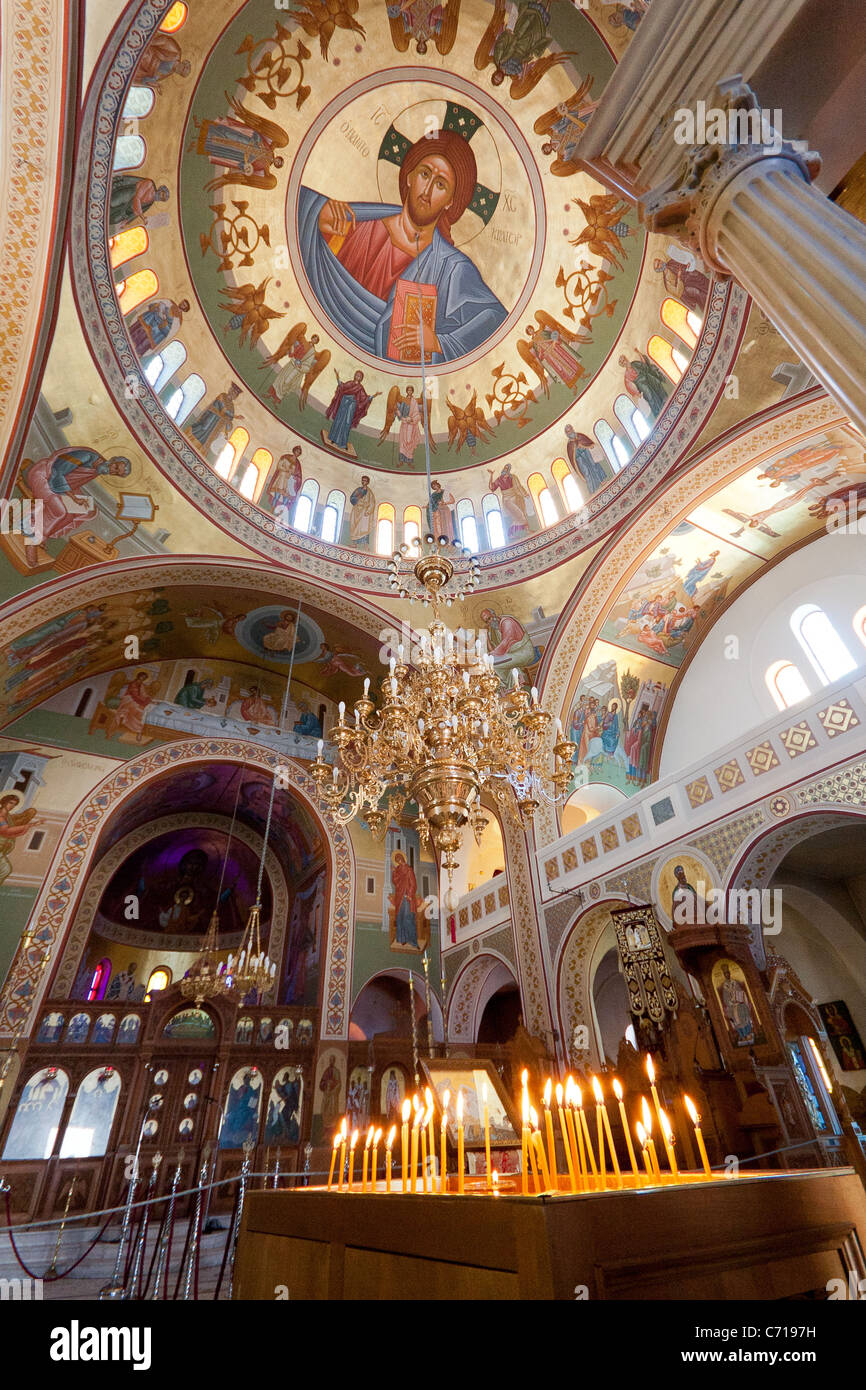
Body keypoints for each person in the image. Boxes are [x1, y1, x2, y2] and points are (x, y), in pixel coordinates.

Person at [298, 130, 507, 363]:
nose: (427, 191)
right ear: (409, 177)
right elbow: (292, 208)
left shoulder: (451, 269)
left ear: (450, 201)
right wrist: (315, 212)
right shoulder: (352, 226)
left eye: (440, 184)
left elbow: (496, 321)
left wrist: (439, 343)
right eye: (424, 174)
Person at [20, 450, 131, 566]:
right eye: (116, 467)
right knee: (61, 512)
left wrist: (77, 500)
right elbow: (57, 472)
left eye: (117, 473)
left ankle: (43, 533)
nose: (112, 471)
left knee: (87, 511)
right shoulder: (87, 456)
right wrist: (74, 498)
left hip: (56, 485)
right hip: (44, 476)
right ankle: (33, 538)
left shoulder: (98, 469)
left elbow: (72, 480)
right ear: (113, 459)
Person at [323, 371, 379, 455]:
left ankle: (342, 443)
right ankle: (333, 438)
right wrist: (337, 376)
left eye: (359, 376)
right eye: (357, 375)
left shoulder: (360, 388)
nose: (357, 376)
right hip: (344, 403)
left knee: (347, 423)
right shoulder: (350, 383)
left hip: (352, 406)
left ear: (361, 378)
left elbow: (364, 399)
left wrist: (373, 396)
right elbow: (342, 387)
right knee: (339, 419)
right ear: (354, 375)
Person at [184, 383, 242, 450]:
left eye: (235, 394)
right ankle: (189, 436)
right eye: (233, 392)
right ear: (230, 390)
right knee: (204, 427)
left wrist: (229, 420)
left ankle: (199, 446)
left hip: (217, 422)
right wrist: (235, 416)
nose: (233, 394)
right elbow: (223, 408)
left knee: (208, 435)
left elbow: (230, 418)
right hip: (212, 415)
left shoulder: (232, 406)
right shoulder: (223, 395)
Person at [564, 425, 612, 495]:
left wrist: (584, 445)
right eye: (568, 432)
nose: (570, 432)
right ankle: (593, 490)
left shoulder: (580, 436)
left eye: (570, 430)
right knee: (586, 472)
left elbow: (589, 442)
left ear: (573, 429)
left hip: (587, 453)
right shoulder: (569, 445)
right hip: (580, 460)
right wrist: (575, 449)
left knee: (594, 465)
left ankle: (602, 481)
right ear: (566, 434)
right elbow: (572, 457)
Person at [487, 462, 531, 538]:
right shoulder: (499, 480)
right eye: (504, 468)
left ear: (509, 470)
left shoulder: (513, 477)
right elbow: (492, 488)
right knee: (519, 515)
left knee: (520, 515)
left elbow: (518, 487)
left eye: (507, 469)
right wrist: (491, 475)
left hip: (516, 498)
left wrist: (525, 494)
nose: (505, 470)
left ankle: (519, 532)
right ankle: (513, 532)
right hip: (507, 500)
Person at [389, 850, 421, 948]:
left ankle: (413, 941)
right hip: (400, 897)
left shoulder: (408, 869)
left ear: (402, 858)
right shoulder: (397, 870)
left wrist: (410, 894)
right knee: (400, 918)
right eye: (396, 859)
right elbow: (395, 882)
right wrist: (394, 872)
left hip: (407, 897)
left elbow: (413, 884)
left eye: (399, 858)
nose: (398, 860)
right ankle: (402, 939)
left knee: (408, 918)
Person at [349, 476, 376, 546]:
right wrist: (357, 497)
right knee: (354, 525)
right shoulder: (358, 490)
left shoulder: (369, 492)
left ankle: (365, 545)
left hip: (364, 511)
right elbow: (352, 498)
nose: (364, 482)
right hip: (356, 510)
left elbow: (372, 502)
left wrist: (368, 511)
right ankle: (354, 543)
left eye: (365, 480)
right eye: (363, 480)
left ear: (368, 482)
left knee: (363, 527)